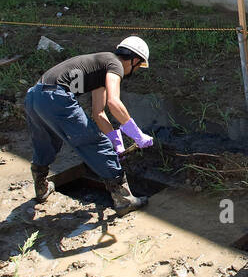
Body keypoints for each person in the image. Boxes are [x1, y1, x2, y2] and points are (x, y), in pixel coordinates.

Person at [24, 36, 155, 215]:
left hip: (35, 96)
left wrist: (115, 140)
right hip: (56, 97)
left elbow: (98, 113)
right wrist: (137, 134)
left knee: (46, 142)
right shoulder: (115, 64)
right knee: (96, 143)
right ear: (134, 59)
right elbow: (114, 102)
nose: (136, 70)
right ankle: (124, 199)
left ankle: (41, 187)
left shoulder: (100, 66)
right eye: (138, 66)